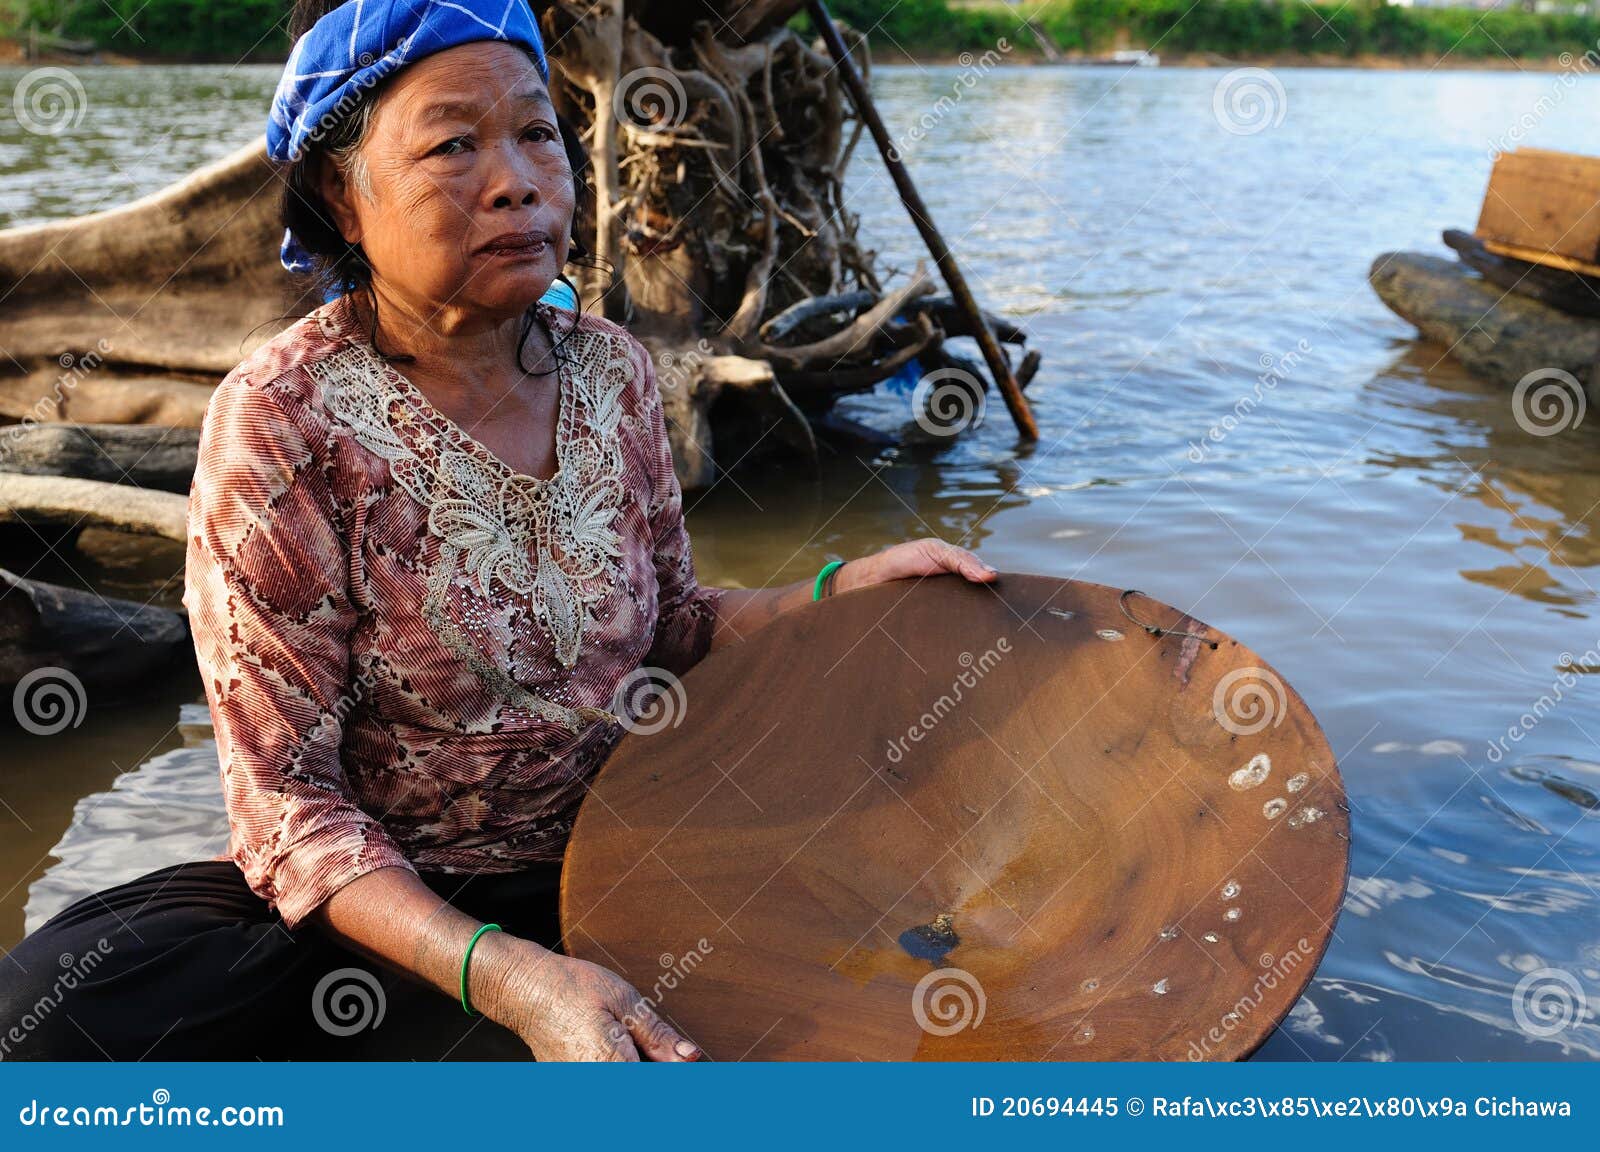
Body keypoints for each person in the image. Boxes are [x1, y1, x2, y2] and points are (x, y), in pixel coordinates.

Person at [0, 0, 997, 1062]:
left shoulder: (610, 367)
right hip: (390, 903)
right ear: (343, 198)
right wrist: (511, 978)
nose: (516, 179)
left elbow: (673, 626)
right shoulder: (282, 417)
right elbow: (287, 805)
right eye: (450, 144)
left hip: (619, 852)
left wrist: (840, 593)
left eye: (536, 134)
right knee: (49, 1020)